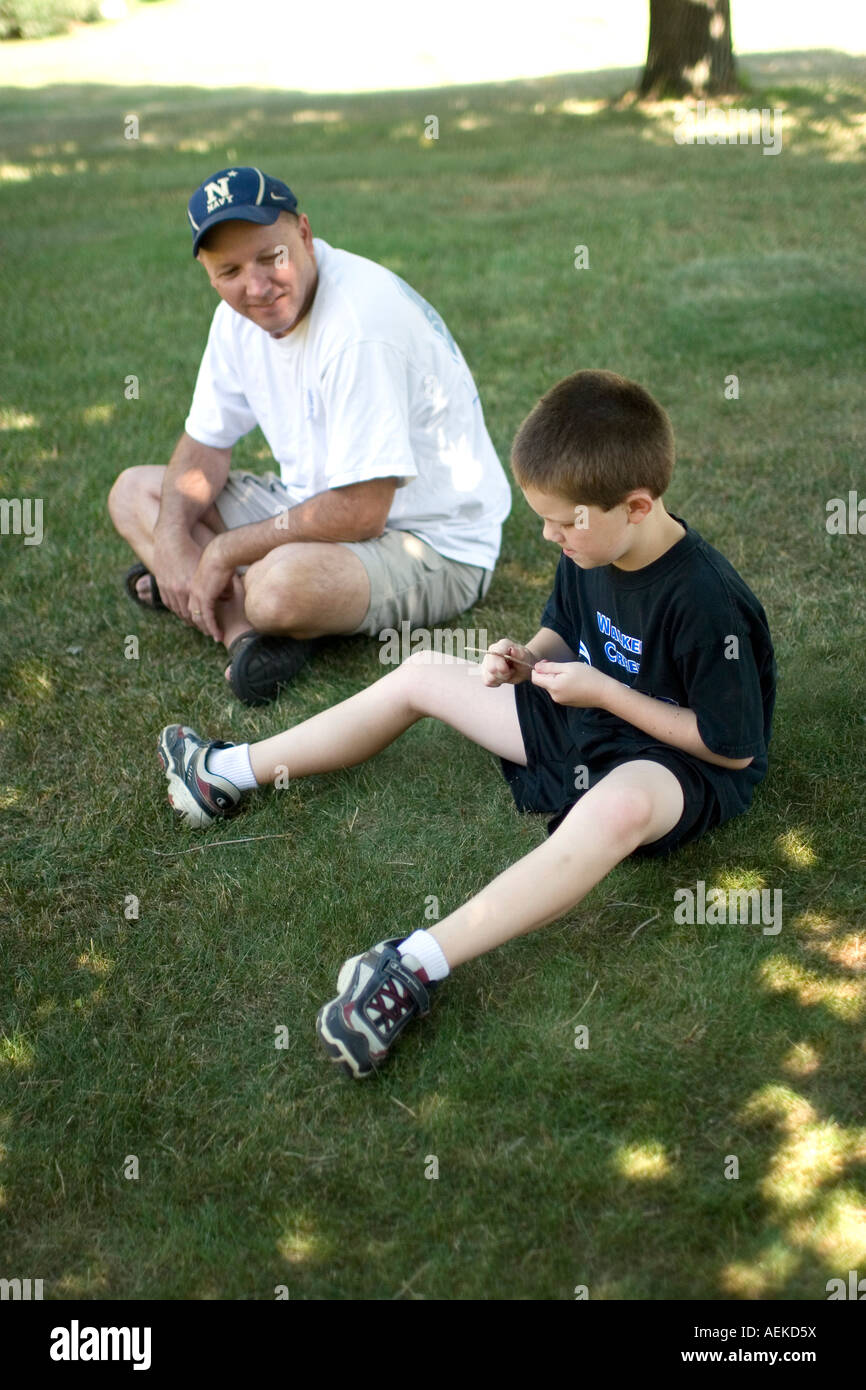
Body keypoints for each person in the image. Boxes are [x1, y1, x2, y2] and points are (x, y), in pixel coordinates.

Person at [156, 369, 777, 1078]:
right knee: (422, 671)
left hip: (675, 767)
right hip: (590, 718)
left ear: (636, 505)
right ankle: (224, 774)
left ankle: (410, 966)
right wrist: (526, 658)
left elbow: (730, 751)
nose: (547, 535)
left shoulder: (705, 600)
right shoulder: (588, 546)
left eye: (561, 520)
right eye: (541, 516)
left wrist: (604, 693)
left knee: (620, 809)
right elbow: (563, 629)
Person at [108, 166, 511, 704]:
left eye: (269, 257)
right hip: (314, 506)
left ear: (303, 234)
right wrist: (175, 542)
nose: (255, 287)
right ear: (208, 273)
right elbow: (205, 446)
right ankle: (246, 635)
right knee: (136, 494)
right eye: (229, 270)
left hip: (433, 541)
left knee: (277, 587)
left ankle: (246, 603)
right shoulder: (237, 321)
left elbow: (363, 510)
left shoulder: (358, 327)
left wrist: (222, 550)